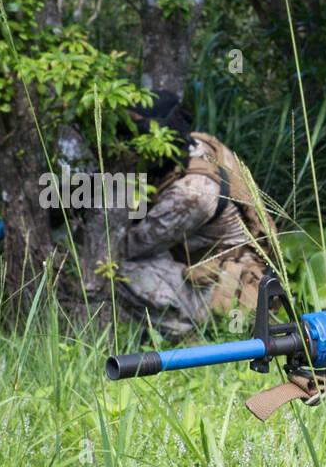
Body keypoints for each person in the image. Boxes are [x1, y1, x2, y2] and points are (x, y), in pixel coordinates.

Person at [112, 91, 280, 337]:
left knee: (114, 269)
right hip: (234, 275)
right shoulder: (199, 144)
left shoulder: (192, 193)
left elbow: (126, 248)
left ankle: (187, 336)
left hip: (234, 294)